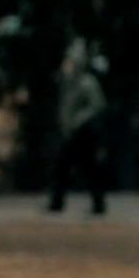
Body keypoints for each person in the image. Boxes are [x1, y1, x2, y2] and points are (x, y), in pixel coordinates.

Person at [48, 42, 108, 215]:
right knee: (61, 167)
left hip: (83, 134)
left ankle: (98, 204)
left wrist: (79, 120)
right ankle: (57, 202)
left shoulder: (87, 83)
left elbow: (97, 105)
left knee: (89, 168)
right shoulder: (67, 83)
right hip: (70, 133)